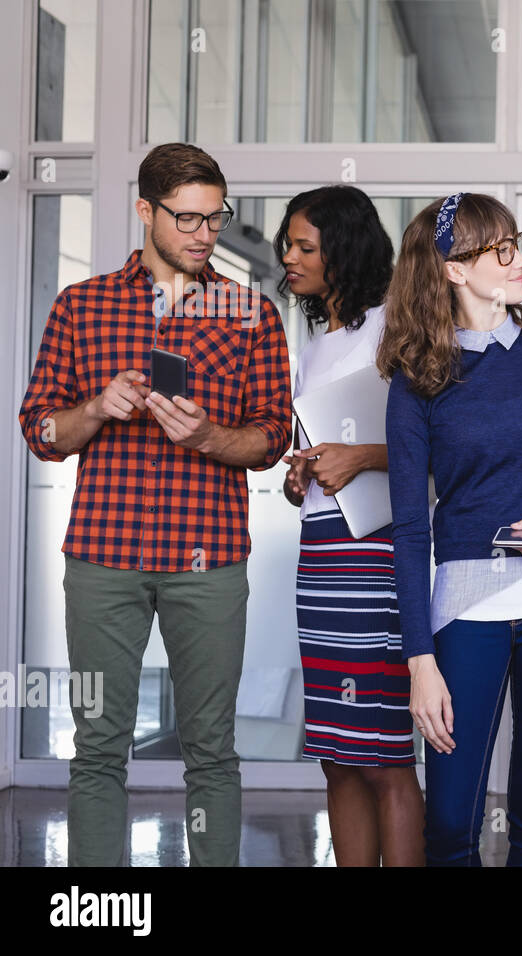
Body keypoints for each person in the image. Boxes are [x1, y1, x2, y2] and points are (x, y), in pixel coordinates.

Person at [17, 143, 292, 866]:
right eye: (188, 219)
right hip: (103, 560)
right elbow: (41, 430)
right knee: (99, 744)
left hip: (209, 563)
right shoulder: (83, 305)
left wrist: (207, 436)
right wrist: (97, 408)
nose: (205, 234)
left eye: (215, 218)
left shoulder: (249, 312)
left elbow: (270, 436)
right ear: (145, 211)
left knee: (210, 749)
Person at [380, 192, 522, 866]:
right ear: (454, 269)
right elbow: (409, 527)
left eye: (517, 243)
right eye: (501, 249)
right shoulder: (415, 379)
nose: (520, 259)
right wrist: (420, 662)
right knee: (450, 824)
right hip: (465, 608)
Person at [275, 184, 424, 866]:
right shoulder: (316, 341)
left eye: (305, 246)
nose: (289, 256)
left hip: (376, 555)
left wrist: (359, 456)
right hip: (322, 554)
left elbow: (442, 450)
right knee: (336, 754)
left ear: (345, 250)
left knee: (385, 754)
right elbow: (320, 449)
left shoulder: (398, 327)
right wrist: (300, 473)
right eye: (289, 244)